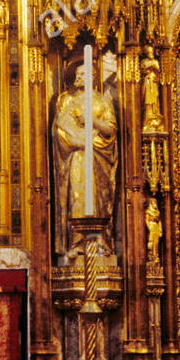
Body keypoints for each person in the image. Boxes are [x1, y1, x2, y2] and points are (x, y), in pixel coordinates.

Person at [51, 61, 118, 258]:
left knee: (99, 198)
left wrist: (91, 122)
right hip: (76, 156)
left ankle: (99, 241)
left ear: (93, 77)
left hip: (98, 158)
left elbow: (110, 130)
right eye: (78, 74)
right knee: (77, 196)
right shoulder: (64, 100)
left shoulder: (102, 101)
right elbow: (58, 131)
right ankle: (77, 242)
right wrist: (76, 143)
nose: (79, 77)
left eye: (84, 74)